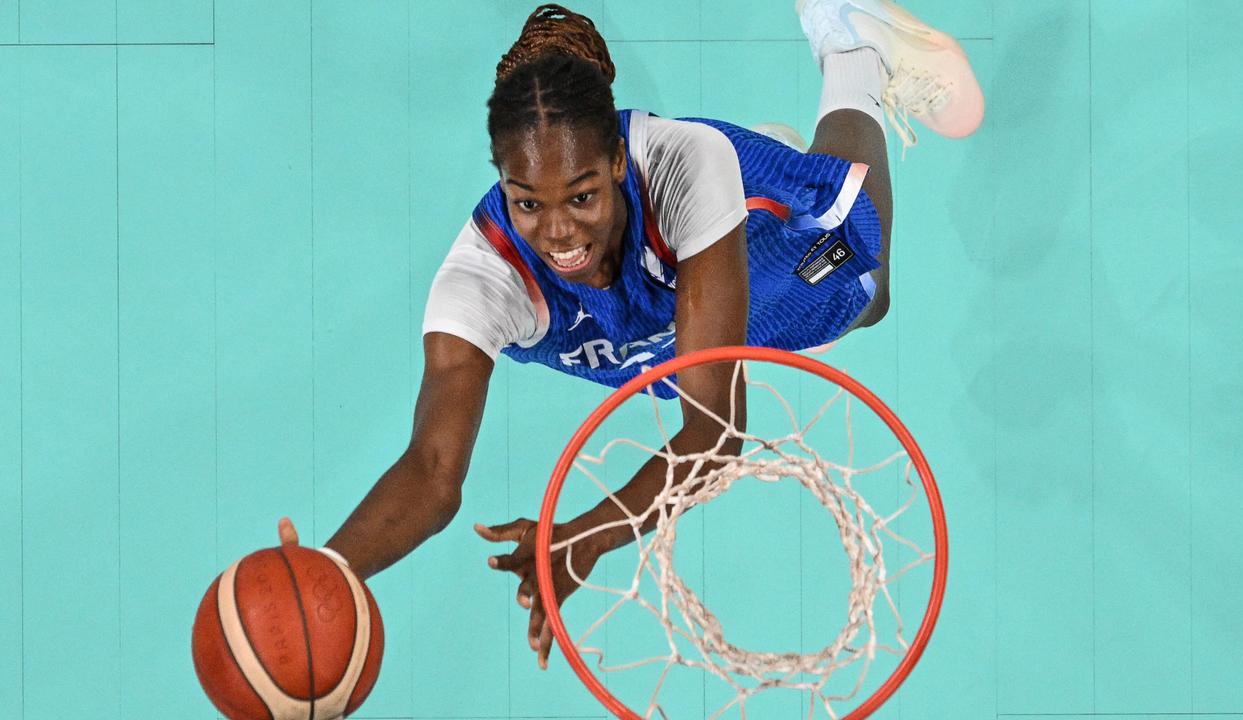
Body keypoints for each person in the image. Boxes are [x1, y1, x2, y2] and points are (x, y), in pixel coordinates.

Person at [277, 0, 983, 671]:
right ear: (501, 182)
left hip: (724, 228)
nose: (558, 233)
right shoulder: (480, 276)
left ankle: (849, 45)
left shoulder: (682, 163)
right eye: (528, 203)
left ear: (617, 160)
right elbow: (432, 474)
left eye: (581, 195)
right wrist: (323, 576)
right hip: (656, 327)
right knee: (691, 351)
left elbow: (712, 432)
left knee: (868, 293)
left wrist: (583, 539)